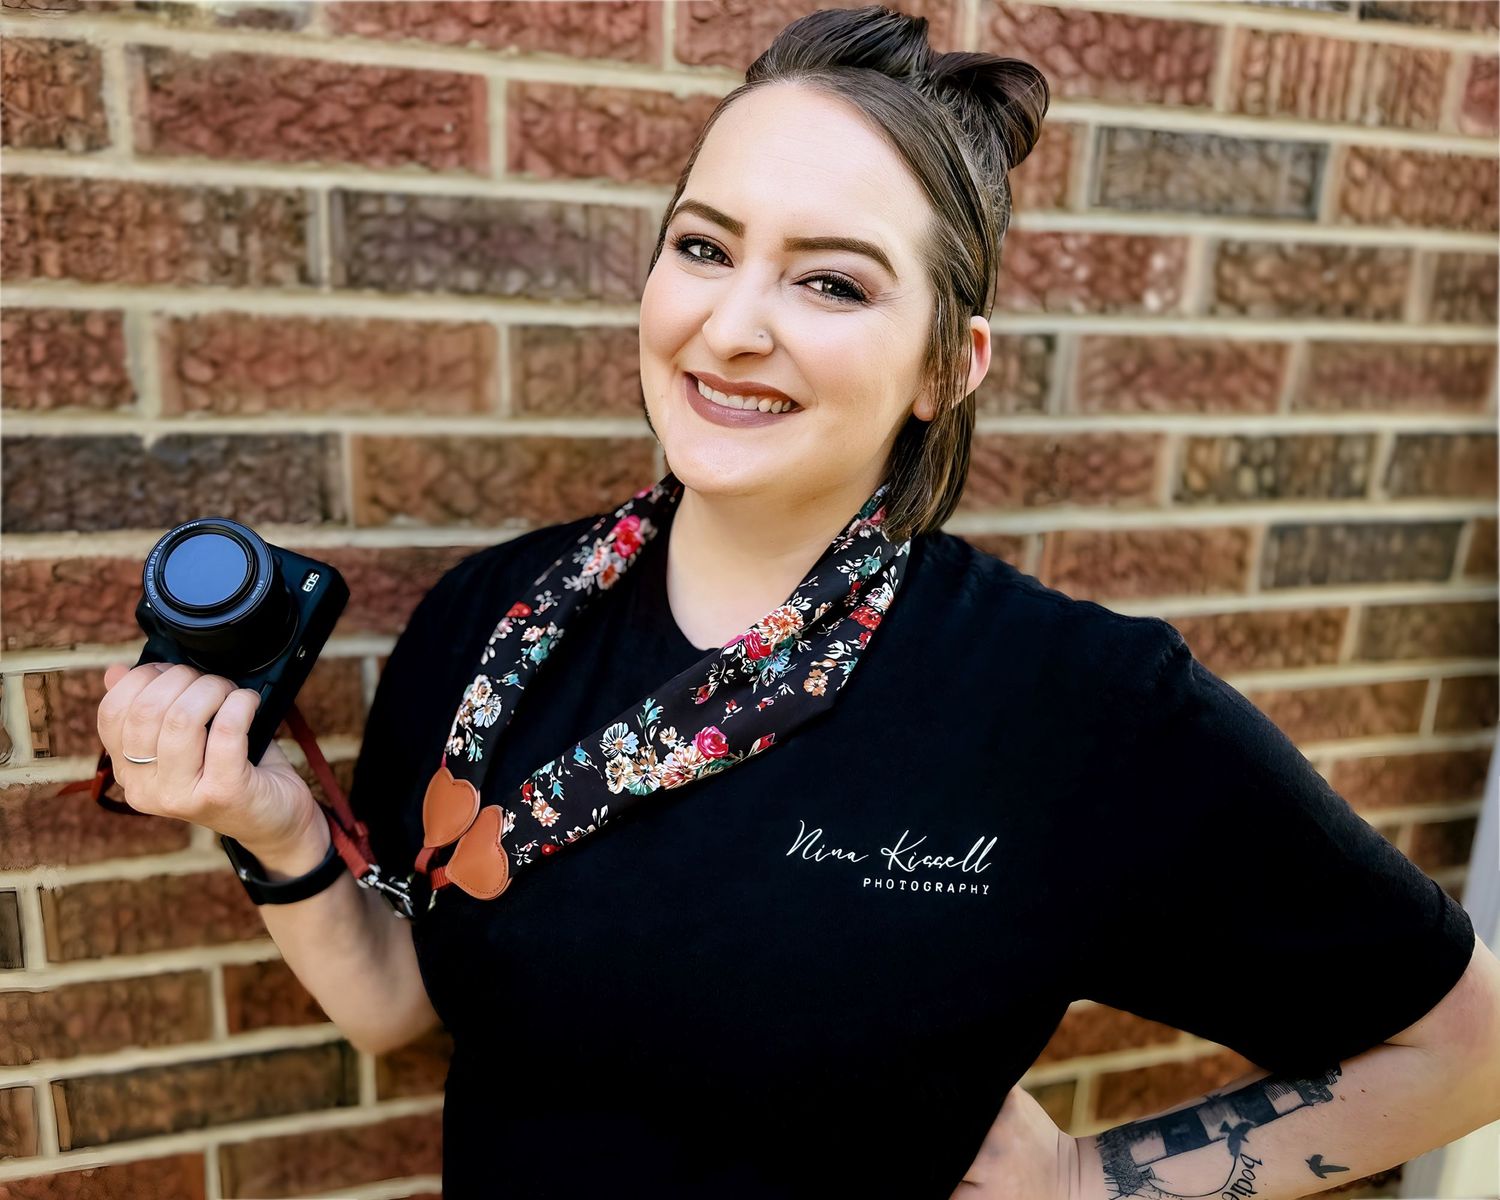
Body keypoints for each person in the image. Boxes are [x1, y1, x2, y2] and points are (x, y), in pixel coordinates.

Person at [94, 6, 1485, 1199]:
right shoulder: (490, 627)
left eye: (830, 280)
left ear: (949, 361)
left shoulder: (1078, 711)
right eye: (705, 247)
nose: (735, 322)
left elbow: (1467, 1048)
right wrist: (273, 829)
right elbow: (402, 1004)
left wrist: (1087, 1180)